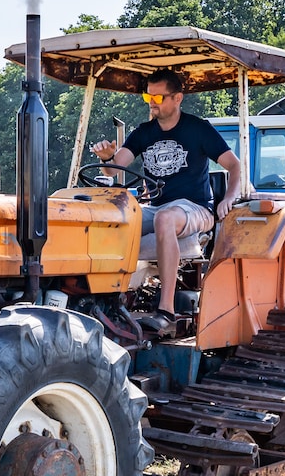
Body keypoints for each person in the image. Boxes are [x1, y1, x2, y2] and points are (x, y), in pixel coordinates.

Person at [89, 69, 244, 321]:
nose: (152, 103)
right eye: (148, 97)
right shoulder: (144, 132)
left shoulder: (198, 129)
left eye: (158, 98)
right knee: (114, 218)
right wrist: (107, 157)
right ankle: (105, 300)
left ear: (177, 98)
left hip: (196, 208)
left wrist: (228, 198)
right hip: (158, 207)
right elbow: (114, 169)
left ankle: (166, 309)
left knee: (165, 218)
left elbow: (235, 165)